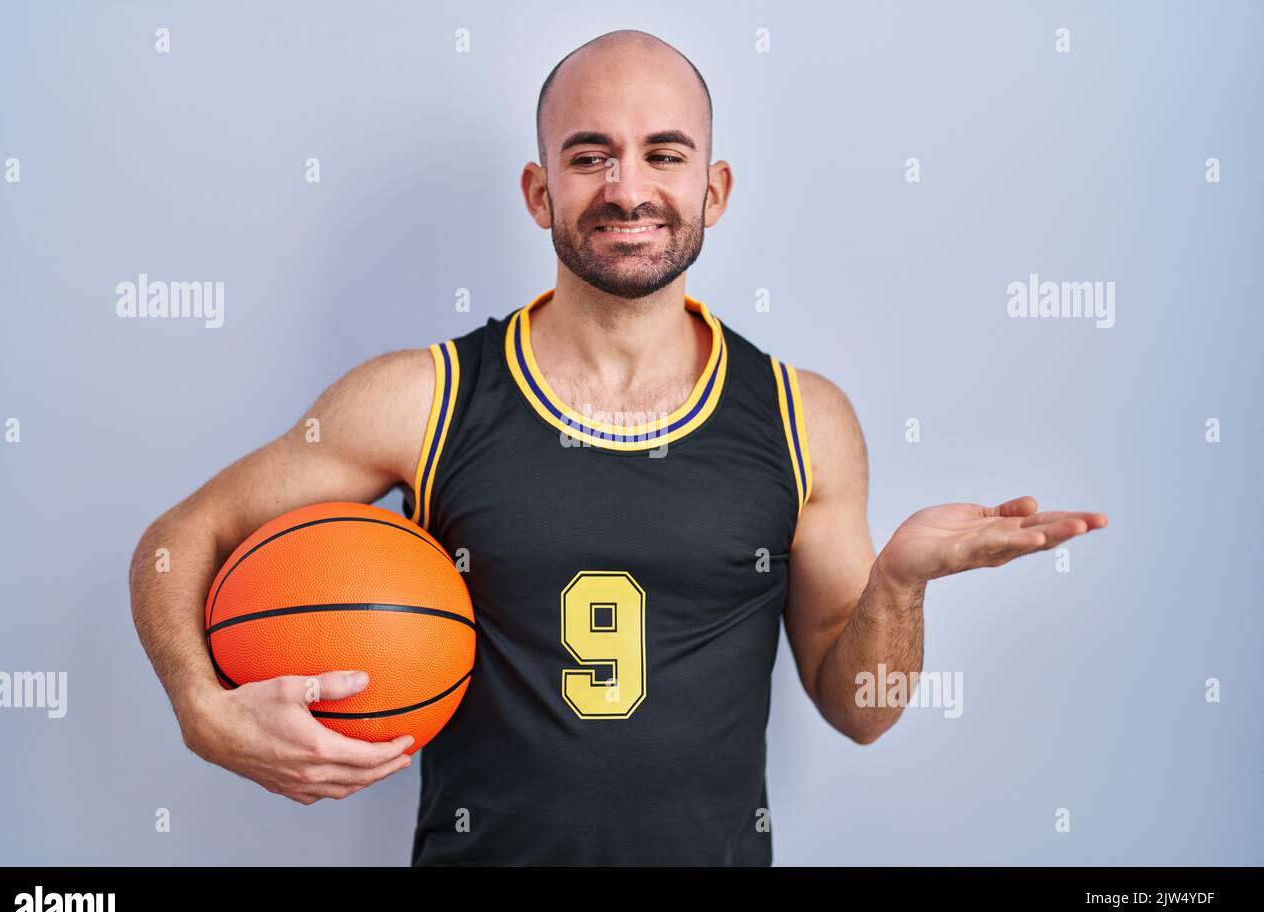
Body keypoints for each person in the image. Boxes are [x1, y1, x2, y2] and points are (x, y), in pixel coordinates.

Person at [128, 29, 1106, 866]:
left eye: (664, 154)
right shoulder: (423, 397)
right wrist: (202, 709)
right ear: (537, 188)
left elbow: (861, 709)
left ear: (714, 189)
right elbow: (180, 537)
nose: (627, 187)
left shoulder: (803, 416)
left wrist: (899, 580)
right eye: (590, 154)